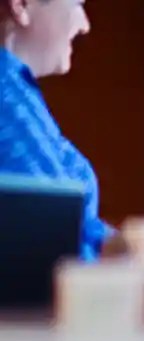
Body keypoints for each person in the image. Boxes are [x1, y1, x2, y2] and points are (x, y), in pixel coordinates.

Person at [0, 0, 113, 259]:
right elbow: (53, 245)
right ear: (21, 5)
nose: (84, 25)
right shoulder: (5, 97)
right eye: (76, 3)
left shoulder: (17, 92)